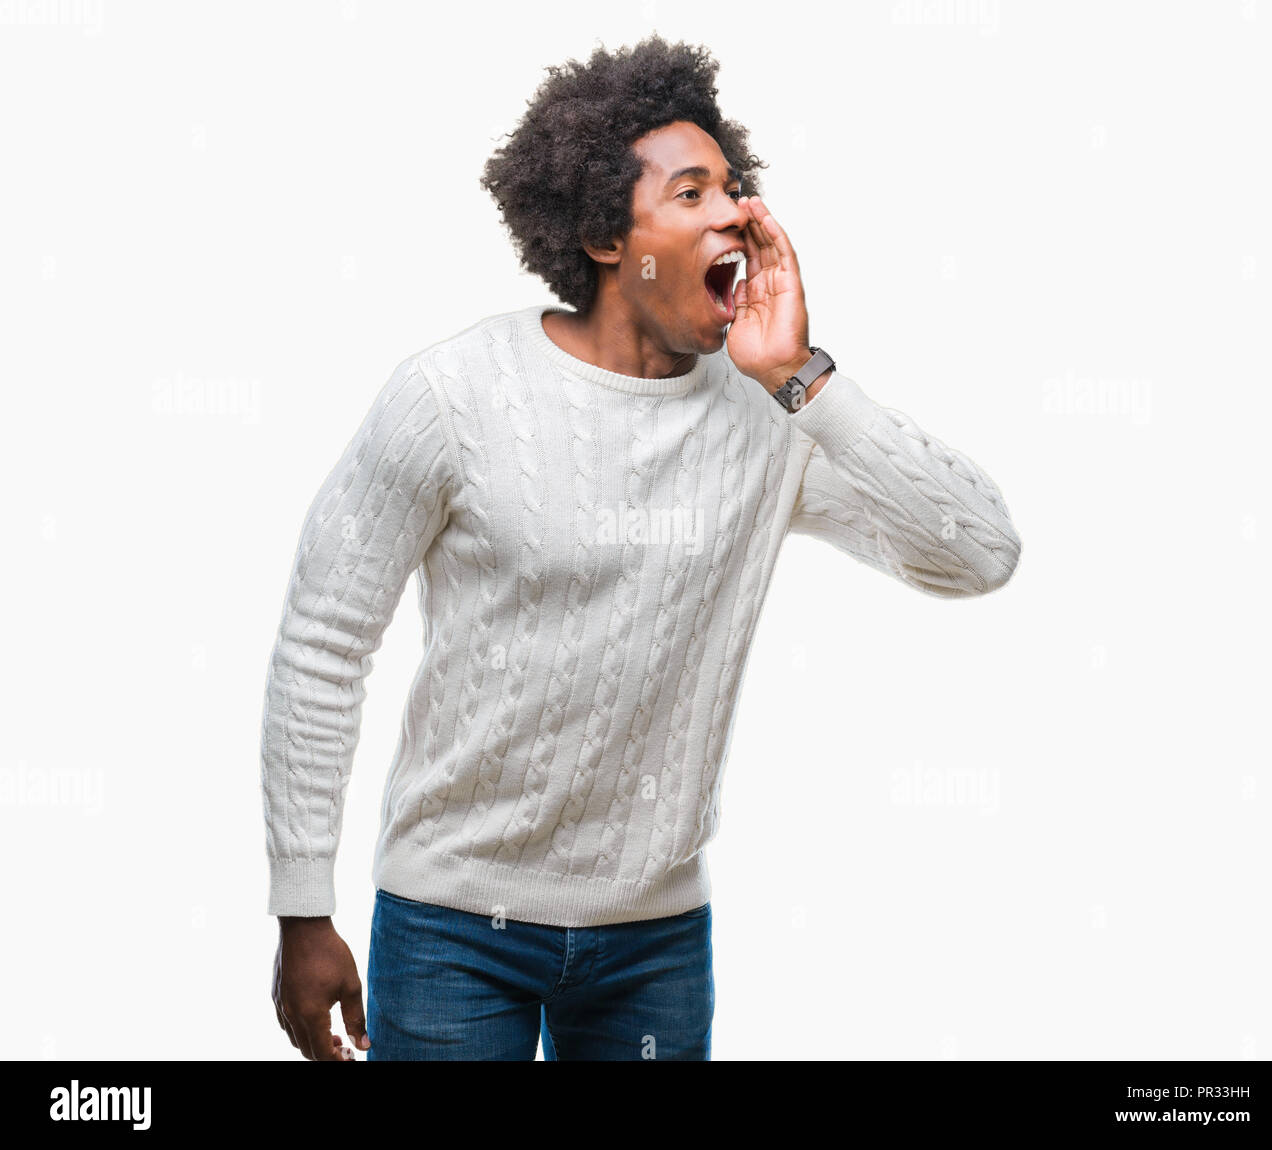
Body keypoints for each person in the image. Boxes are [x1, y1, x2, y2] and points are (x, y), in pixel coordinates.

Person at [262, 34, 1022, 1062]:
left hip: (655, 941)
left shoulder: (769, 418)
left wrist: (801, 376)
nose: (736, 213)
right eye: (694, 192)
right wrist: (303, 906)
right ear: (606, 235)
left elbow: (978, 551)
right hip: (450, 927)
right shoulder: (451, 395)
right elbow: (324, 639)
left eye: (737, 186)